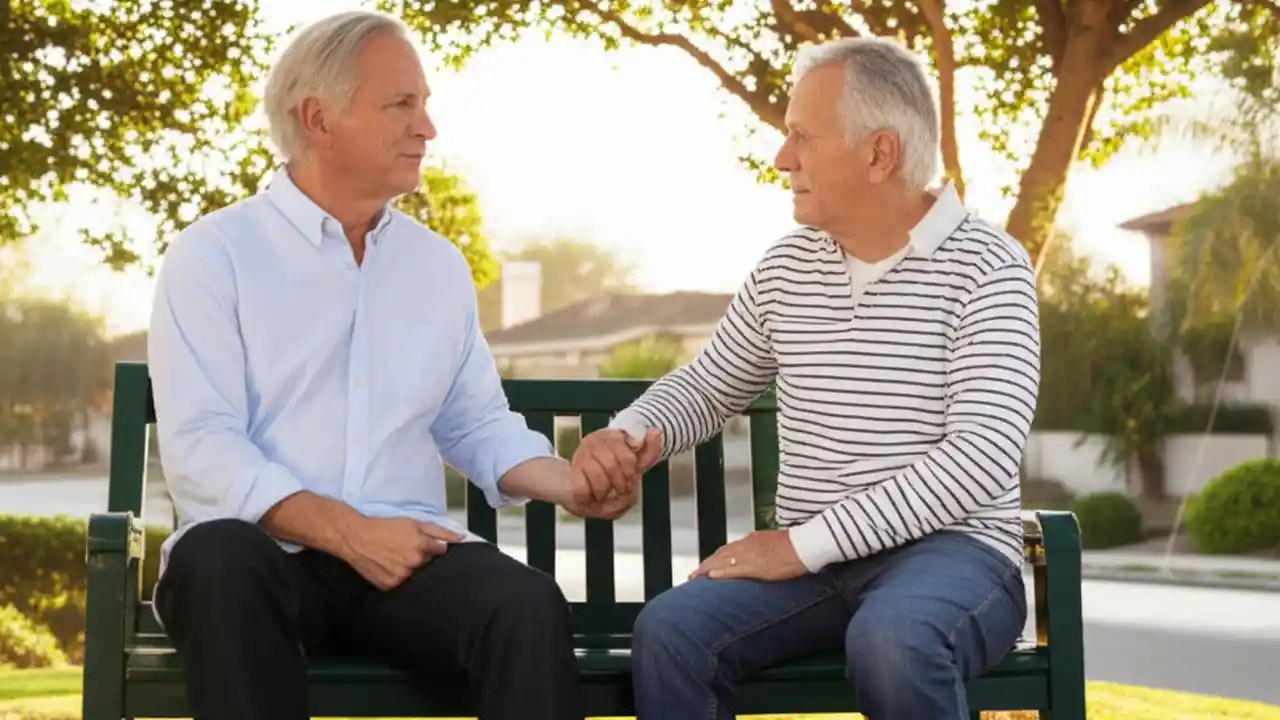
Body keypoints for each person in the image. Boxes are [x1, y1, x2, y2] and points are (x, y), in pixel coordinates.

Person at [146, 11, 645, 720]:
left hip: (406, 560)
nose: (427, 128)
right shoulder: (213, 256)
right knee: (217, 560)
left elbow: (473, 422)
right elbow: (202, 448)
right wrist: (351, 534)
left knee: (524, 604)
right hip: (265, 560)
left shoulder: (436, 267)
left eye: (425, 104)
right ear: (318, 118)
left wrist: (569, 484)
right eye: (400, 105)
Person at [571, 36, 1040, 720]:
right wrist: (629, 434)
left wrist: (798, 546)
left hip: (955, 556)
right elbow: (709, 385)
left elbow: (977, 459)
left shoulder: (989, 267)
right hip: (816, 567)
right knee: (671, 631)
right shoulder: (788, 267)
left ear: (880, 154)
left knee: (893, 641)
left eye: (801, 138)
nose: (781, 158)